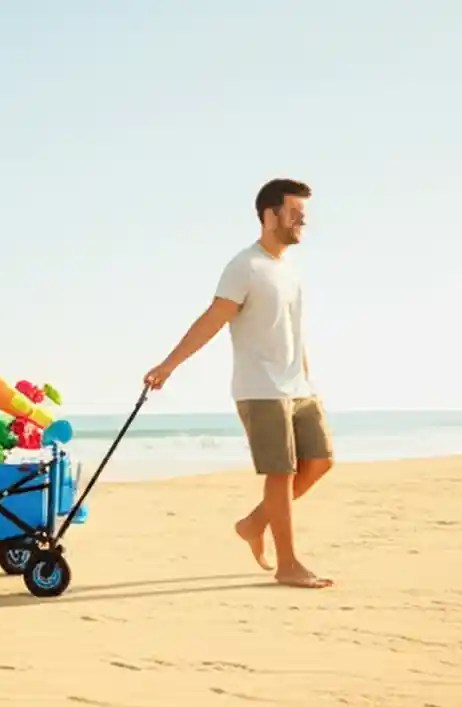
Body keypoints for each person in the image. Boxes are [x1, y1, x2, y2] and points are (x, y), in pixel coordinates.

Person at [143, 178, 336, 589]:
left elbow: (293, 332)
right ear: (270, 215)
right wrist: (168, 365)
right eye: (295, 214)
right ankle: (288, 564)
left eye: (304, 216)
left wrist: (308, 379)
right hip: (261, 387)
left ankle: (254, 523)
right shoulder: (245, 266)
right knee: (280, 472)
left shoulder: (289, 270)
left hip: (298, 385)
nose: (302, 222)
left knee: (320, 461)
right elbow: (213, 319)